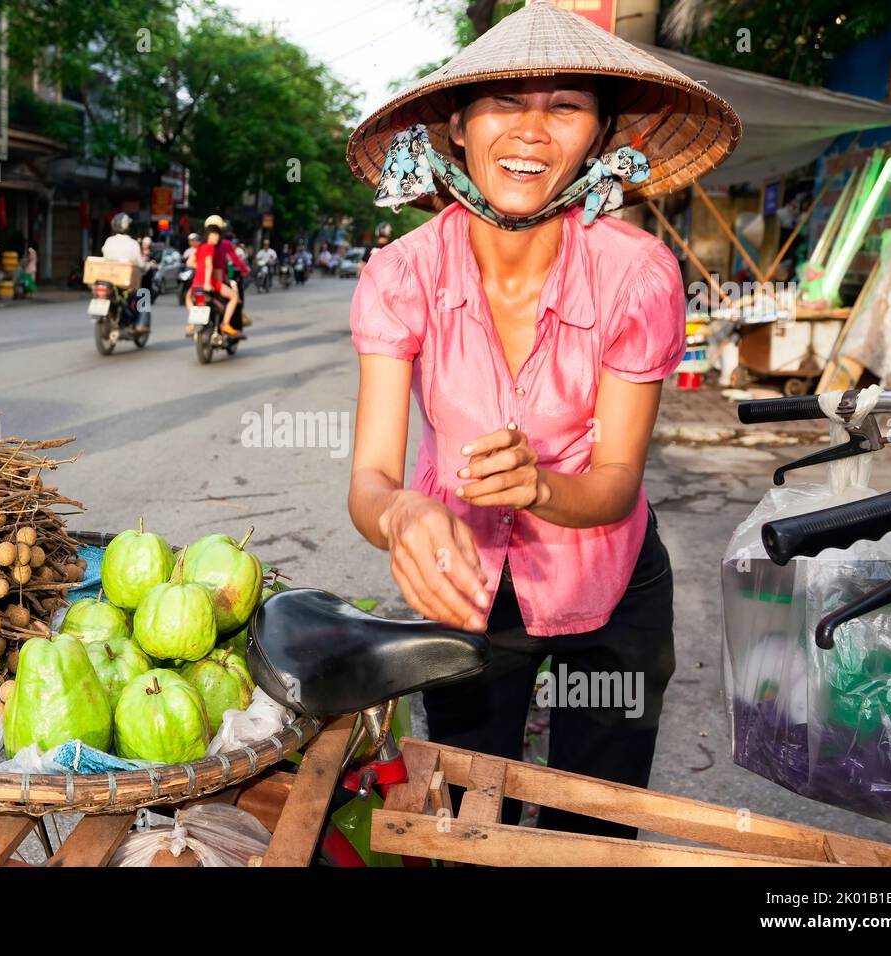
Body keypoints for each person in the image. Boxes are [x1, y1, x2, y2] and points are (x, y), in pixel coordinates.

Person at [344, 1, 739, 837]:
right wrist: (403, 511)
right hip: (464, 585)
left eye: (564, 106)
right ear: (454, 126)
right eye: (503, 103)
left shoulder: (637, 274)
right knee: (467, 824)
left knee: (590, 831)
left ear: (597, 137)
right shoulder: (401, 273)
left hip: (609, 578)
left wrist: (540, 488)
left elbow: (617, 484)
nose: (531, 130)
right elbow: (370, 481)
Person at [188, 224, 243, 336]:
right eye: (213, 234)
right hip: (210, 282)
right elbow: (209, 266)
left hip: (197, 283)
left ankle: (192, 322)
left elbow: (189, 262)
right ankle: (225, 324)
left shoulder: (200, 247)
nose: (216, 238)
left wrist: (200, 267)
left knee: (188, 298)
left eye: (218, 235)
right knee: (234, 296)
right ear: (207, 235)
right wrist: (208, 282)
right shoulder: (210, 247)